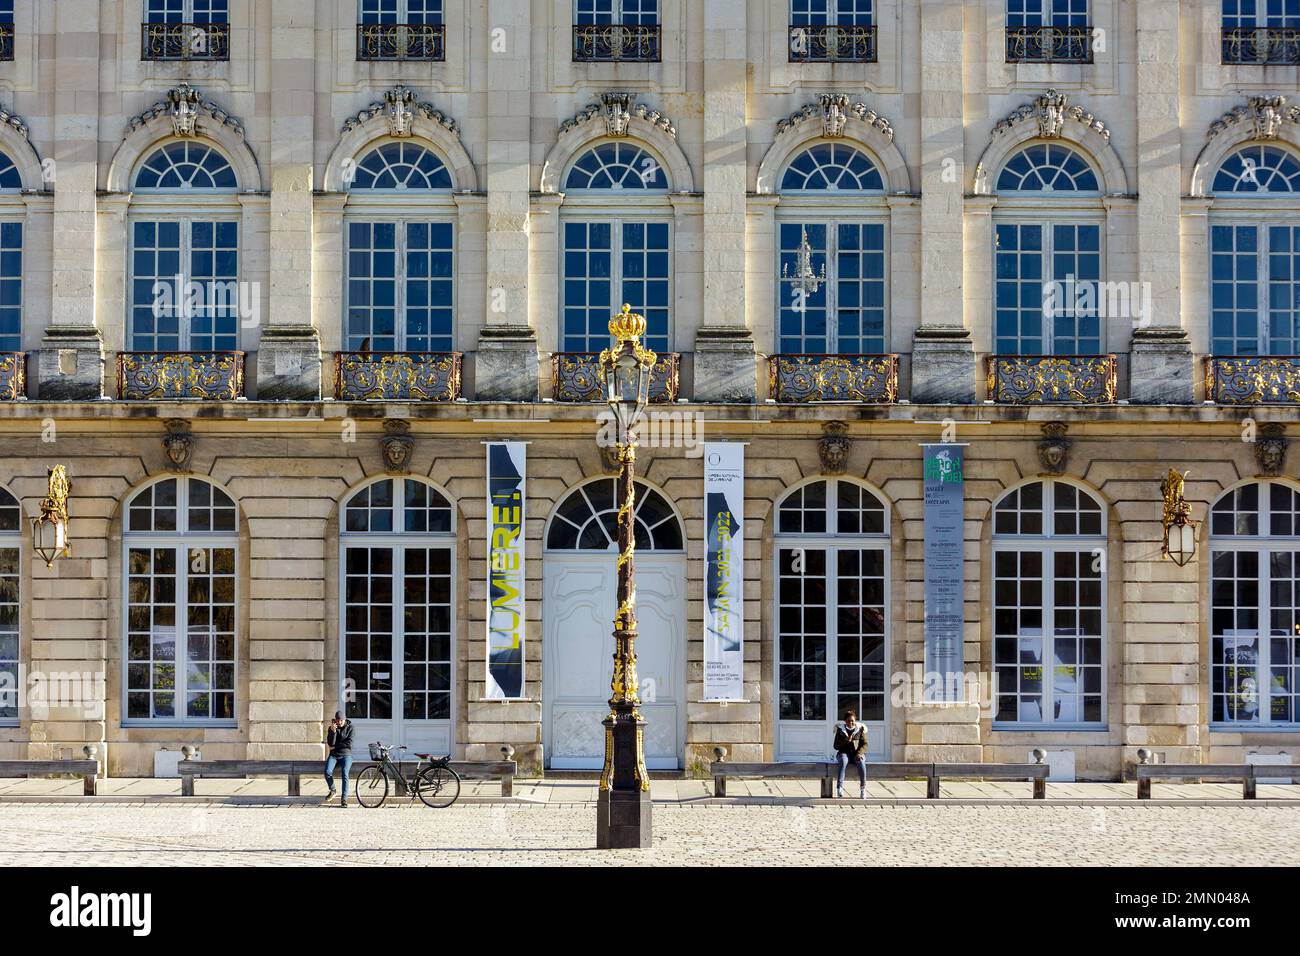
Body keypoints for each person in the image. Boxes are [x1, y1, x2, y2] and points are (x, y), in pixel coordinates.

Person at [832, 710, 868, 799]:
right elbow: (835, 746)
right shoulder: (840, 730)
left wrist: (859, 753)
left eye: (852, 721)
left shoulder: (860, 729)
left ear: (855, 721)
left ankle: (863, 789)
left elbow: (865, 744)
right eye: (848, 721)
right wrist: (845, 741)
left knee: (861, 762)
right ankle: (839, 788)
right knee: (843, 761)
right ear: (845, 721)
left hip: (857, 754)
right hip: (844, 753)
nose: (850, 723)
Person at [325, 710, 355, 807]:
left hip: (346, 755)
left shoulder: (351, 728)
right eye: (338, 720)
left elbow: (349, 743)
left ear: (345, 719)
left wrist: (336, 747)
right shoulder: (332, 728)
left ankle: (344, 799)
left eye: (341, 720)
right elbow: (330, 744)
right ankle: (333, 790)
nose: (339, 722)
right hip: (334, 755)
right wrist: (333, 733)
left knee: (345, 772)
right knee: (327, 771)